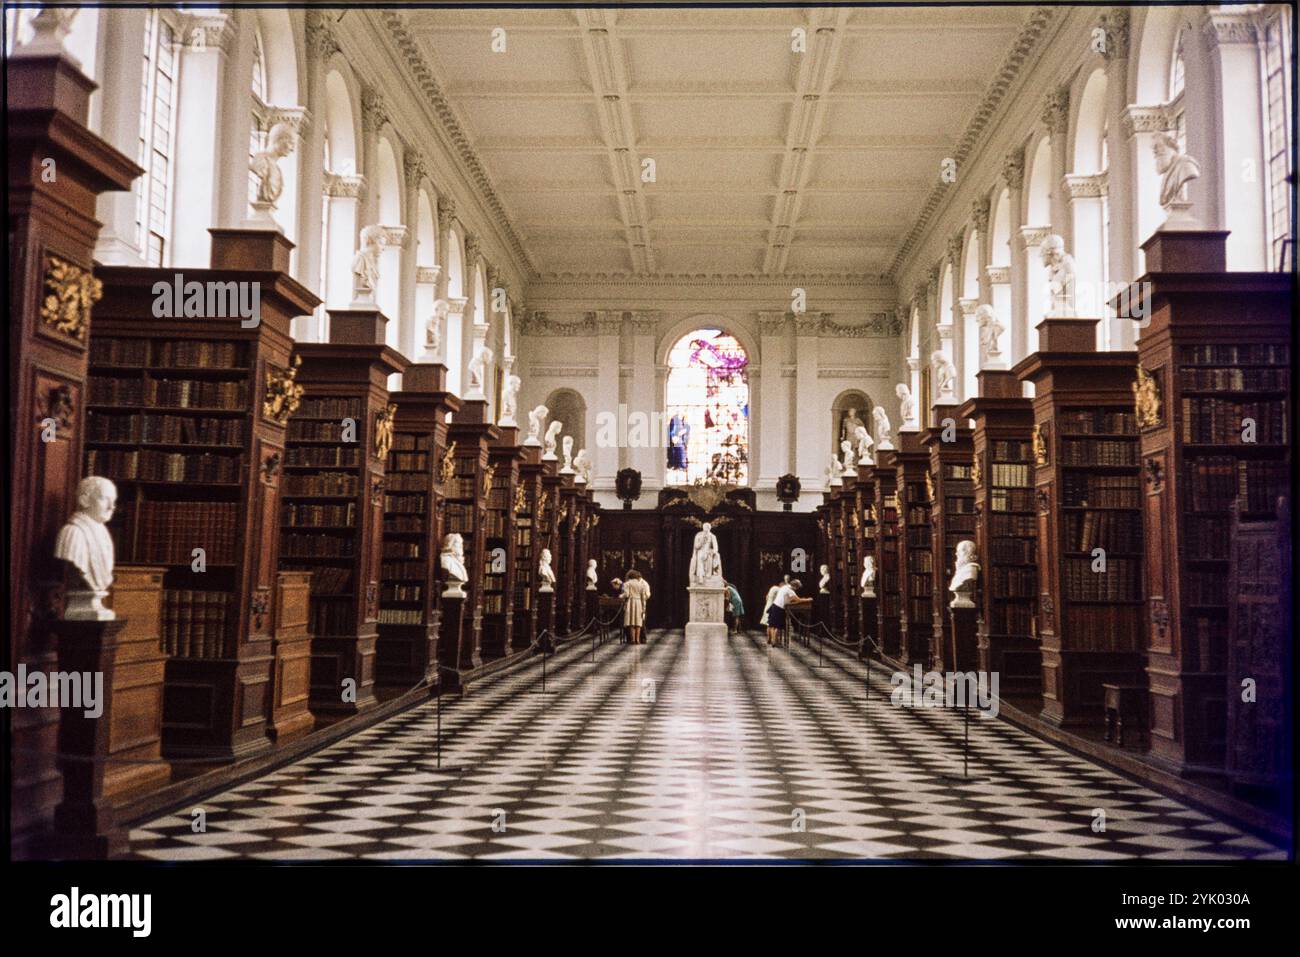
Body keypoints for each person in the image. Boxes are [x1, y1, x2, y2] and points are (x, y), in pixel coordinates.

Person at [766, 578, 811, 647]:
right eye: (797, 587)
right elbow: (798, 600)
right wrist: (808, 599)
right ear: (795, 586)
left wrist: (790, 599)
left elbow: (786, 598)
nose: (796, 589)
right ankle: (774, 642)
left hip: (774, 605)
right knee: (777, 626)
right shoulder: (791, 591)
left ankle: (770, 640)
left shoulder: (785, 586)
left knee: (771, 625)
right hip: (779, 608)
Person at [622, 570, 651, 645]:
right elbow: (643, 596)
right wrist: (643, 607)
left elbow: (626, 594)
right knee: (638, 622)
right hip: (639, 603)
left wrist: (621, 596)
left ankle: (633, 640)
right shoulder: (641, 585)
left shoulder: (627, 584)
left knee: (631, 622)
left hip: (631, 603)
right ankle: (637, 639)